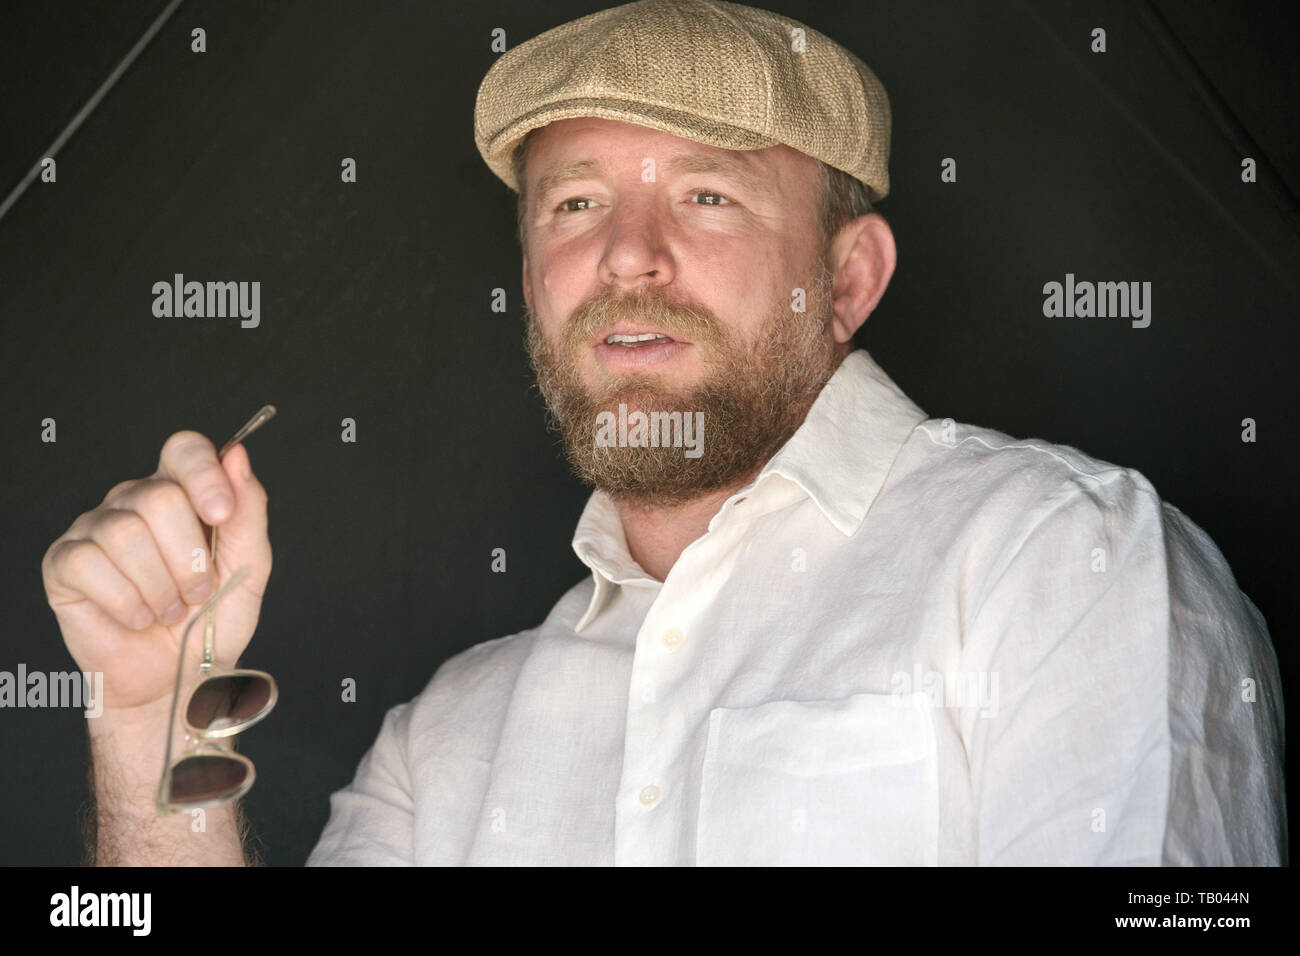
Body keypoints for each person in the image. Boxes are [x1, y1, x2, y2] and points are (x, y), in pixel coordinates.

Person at [45, 0, 1284, 866]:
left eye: (707, 194)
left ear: (846, 280)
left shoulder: (1064, 566)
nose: (627, 257)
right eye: (576, 201)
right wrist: (153, 718)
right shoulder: (443, 739)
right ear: (532, 278)